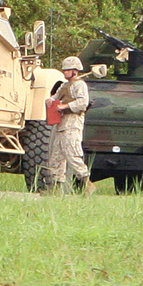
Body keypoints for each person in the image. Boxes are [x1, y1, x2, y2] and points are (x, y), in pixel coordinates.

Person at [45, 55, 92, 193]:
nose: (65, 72)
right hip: (61, 123)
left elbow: (83, 103)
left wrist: (65, 106)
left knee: (72, 153)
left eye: (68, 70)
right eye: (64, 70)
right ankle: (56, 188)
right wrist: (50, 100)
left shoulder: (80, 85)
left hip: (73, 122)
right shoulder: (64, 86)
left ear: (75, 71)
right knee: (56, 157)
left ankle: (87, 183)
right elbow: (56, 97)